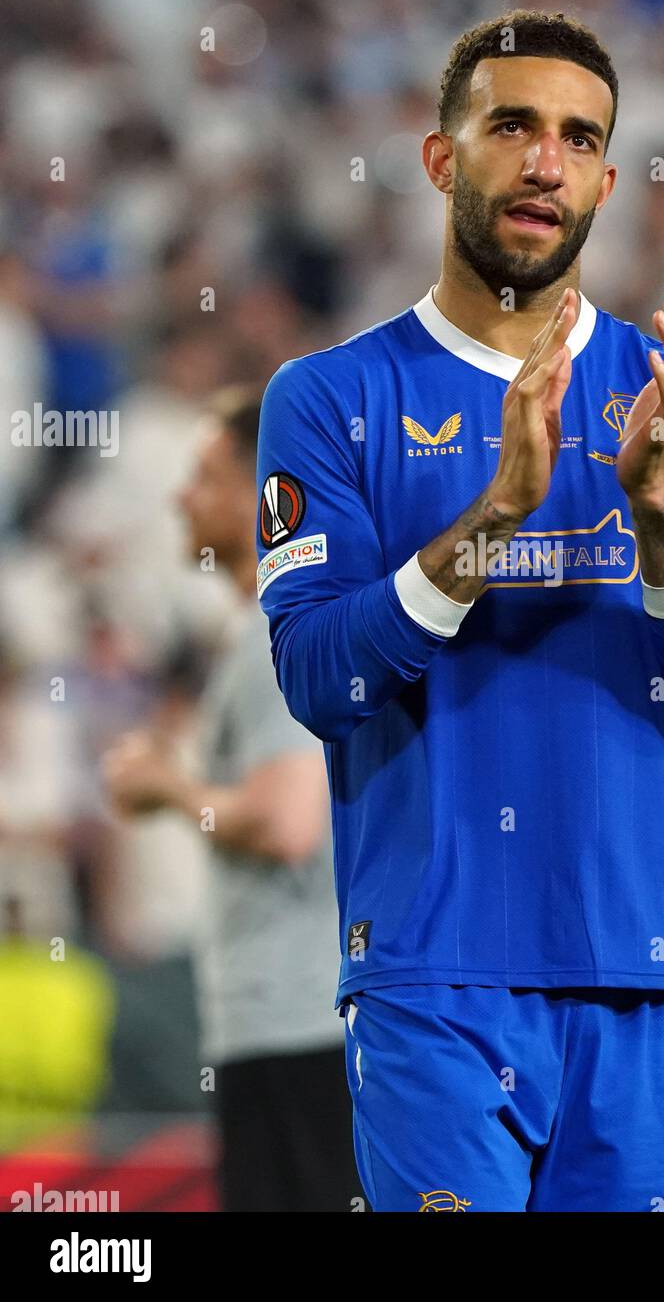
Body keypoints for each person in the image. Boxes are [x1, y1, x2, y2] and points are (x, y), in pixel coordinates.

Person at [256, 10, 664, 1212]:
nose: (544, 160)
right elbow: (320, 681)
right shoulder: (331, 397)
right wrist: (495, 514)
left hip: (647, 974)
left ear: (604, 177)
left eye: (577, 137)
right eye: (512, 126)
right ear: (443, 159)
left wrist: (655, 506)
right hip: (434, 975)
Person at [103, 388, 357, 1212]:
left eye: (207, 477)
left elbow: (286, 824)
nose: (182, 497)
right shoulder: (292, 631)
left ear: (267, 496)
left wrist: (164, 787)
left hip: (294, 1024)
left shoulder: (273, 640)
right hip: (304, 1024)